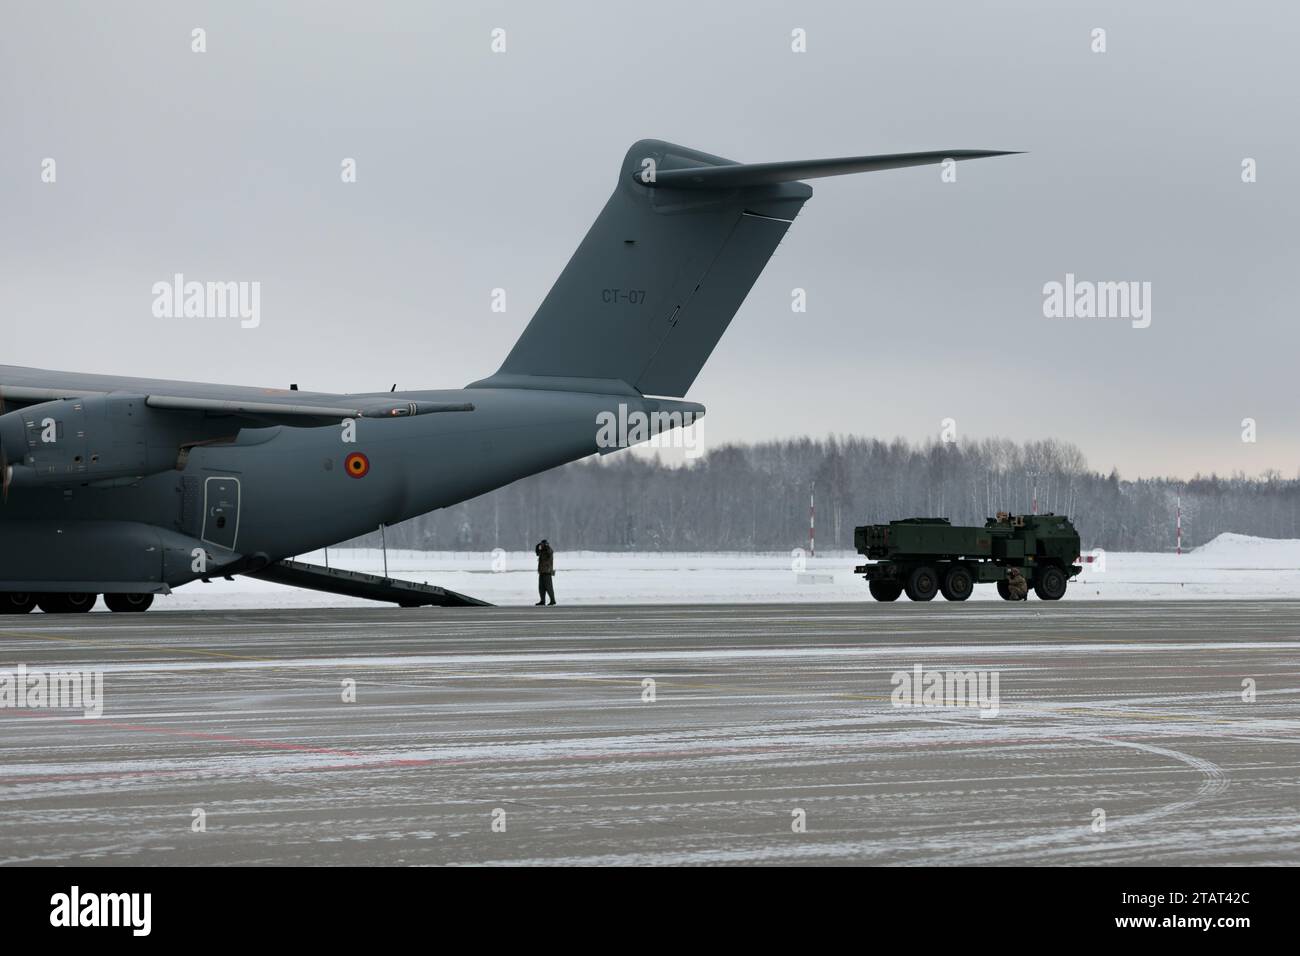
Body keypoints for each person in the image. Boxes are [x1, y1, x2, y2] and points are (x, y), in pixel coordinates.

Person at [534, 539, 556, 606]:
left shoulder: (549, 550)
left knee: (549, 588)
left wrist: (547, 546)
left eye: (543, 544)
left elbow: (549, 552)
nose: (542, 546)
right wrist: (537, 546)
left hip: (547, 572)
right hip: (541, 572)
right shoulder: (542, 551)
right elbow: (537, 553)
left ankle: (553, 600)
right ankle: (542, 601)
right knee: (541, 588)